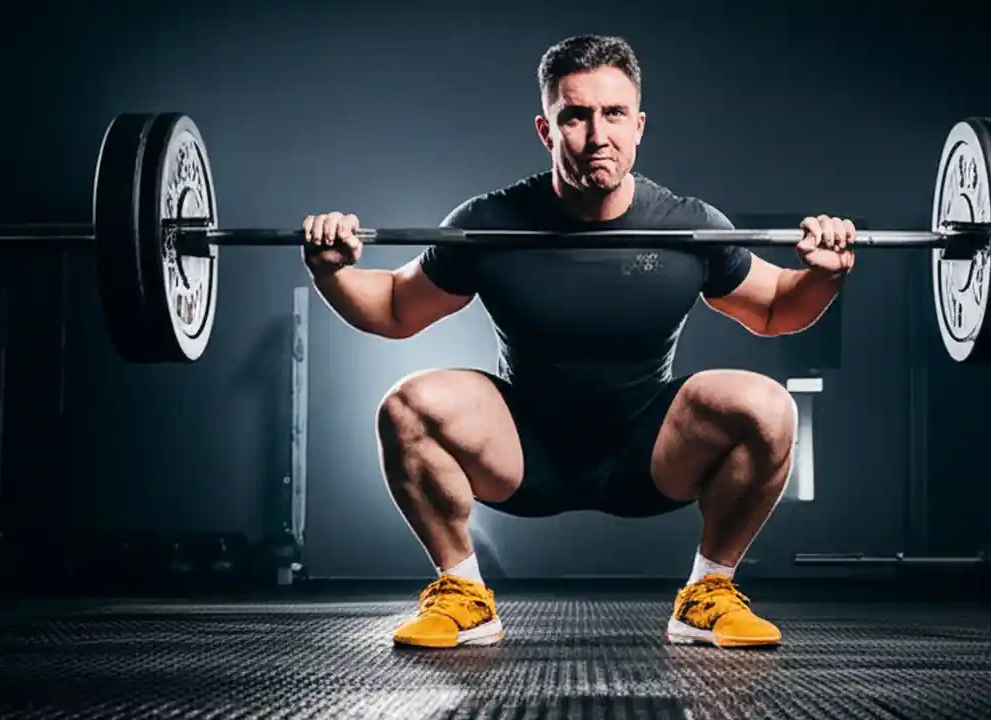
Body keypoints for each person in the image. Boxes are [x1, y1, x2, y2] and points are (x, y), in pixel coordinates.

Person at [301, 34, 856, 649]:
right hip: (523, 448)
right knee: (408, 406)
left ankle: (709, 593)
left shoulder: (688, 224)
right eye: (576, 116)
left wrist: (824, 276)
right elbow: (395, 309)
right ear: (547, 130)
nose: (598, 136)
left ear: (639, 125)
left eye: (614, 114)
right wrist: (331, 271)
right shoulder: (490, 222)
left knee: (769, 406)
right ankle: (463, 595)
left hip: (648, 451)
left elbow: (776, 307)